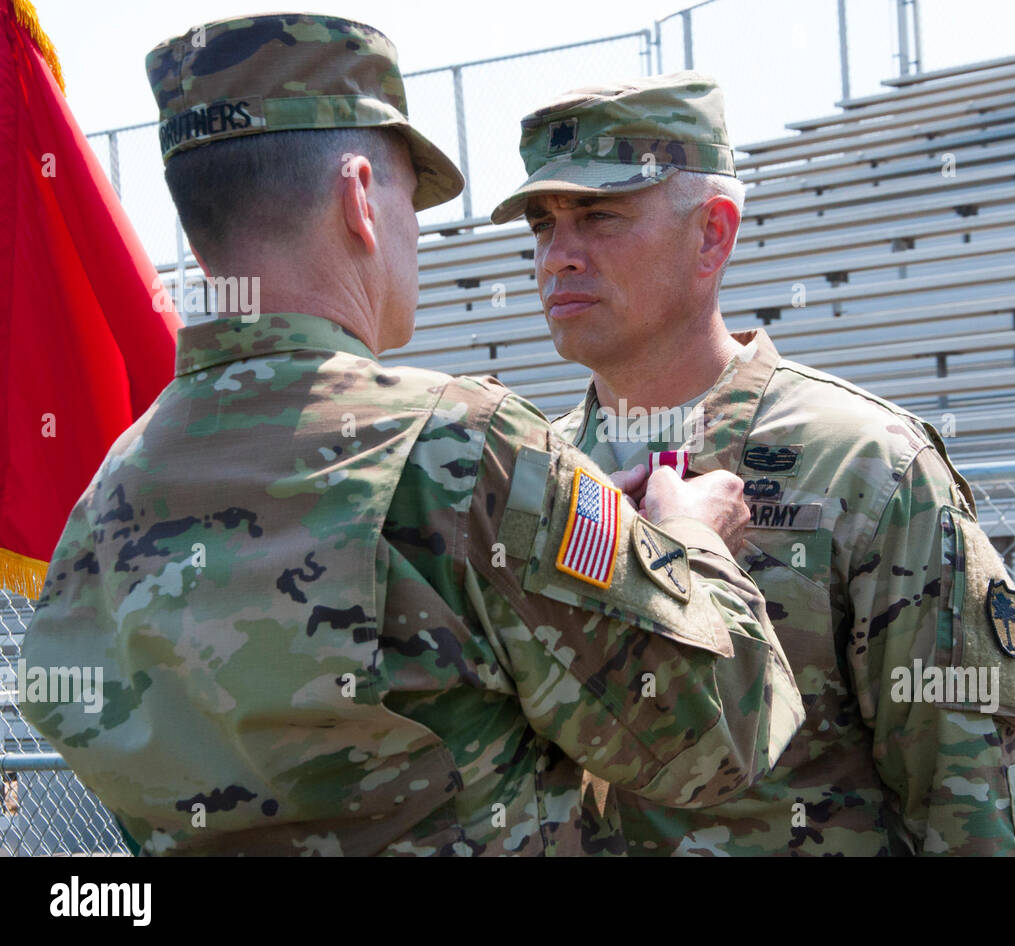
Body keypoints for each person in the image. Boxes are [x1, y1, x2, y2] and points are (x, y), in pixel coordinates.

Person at [18, 17, 803, 857]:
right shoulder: (464, 442)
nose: (416, 235)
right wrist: (689, 541)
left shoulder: (112, 488)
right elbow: (720, 737)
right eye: (408, 196)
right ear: (360, 196)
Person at [491, 71, 1015, 856]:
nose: (559, 257)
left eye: (600, 217)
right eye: (543, 226)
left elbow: (966, 811)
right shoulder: (530, 471)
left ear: (712, 234)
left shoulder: (866, 466)